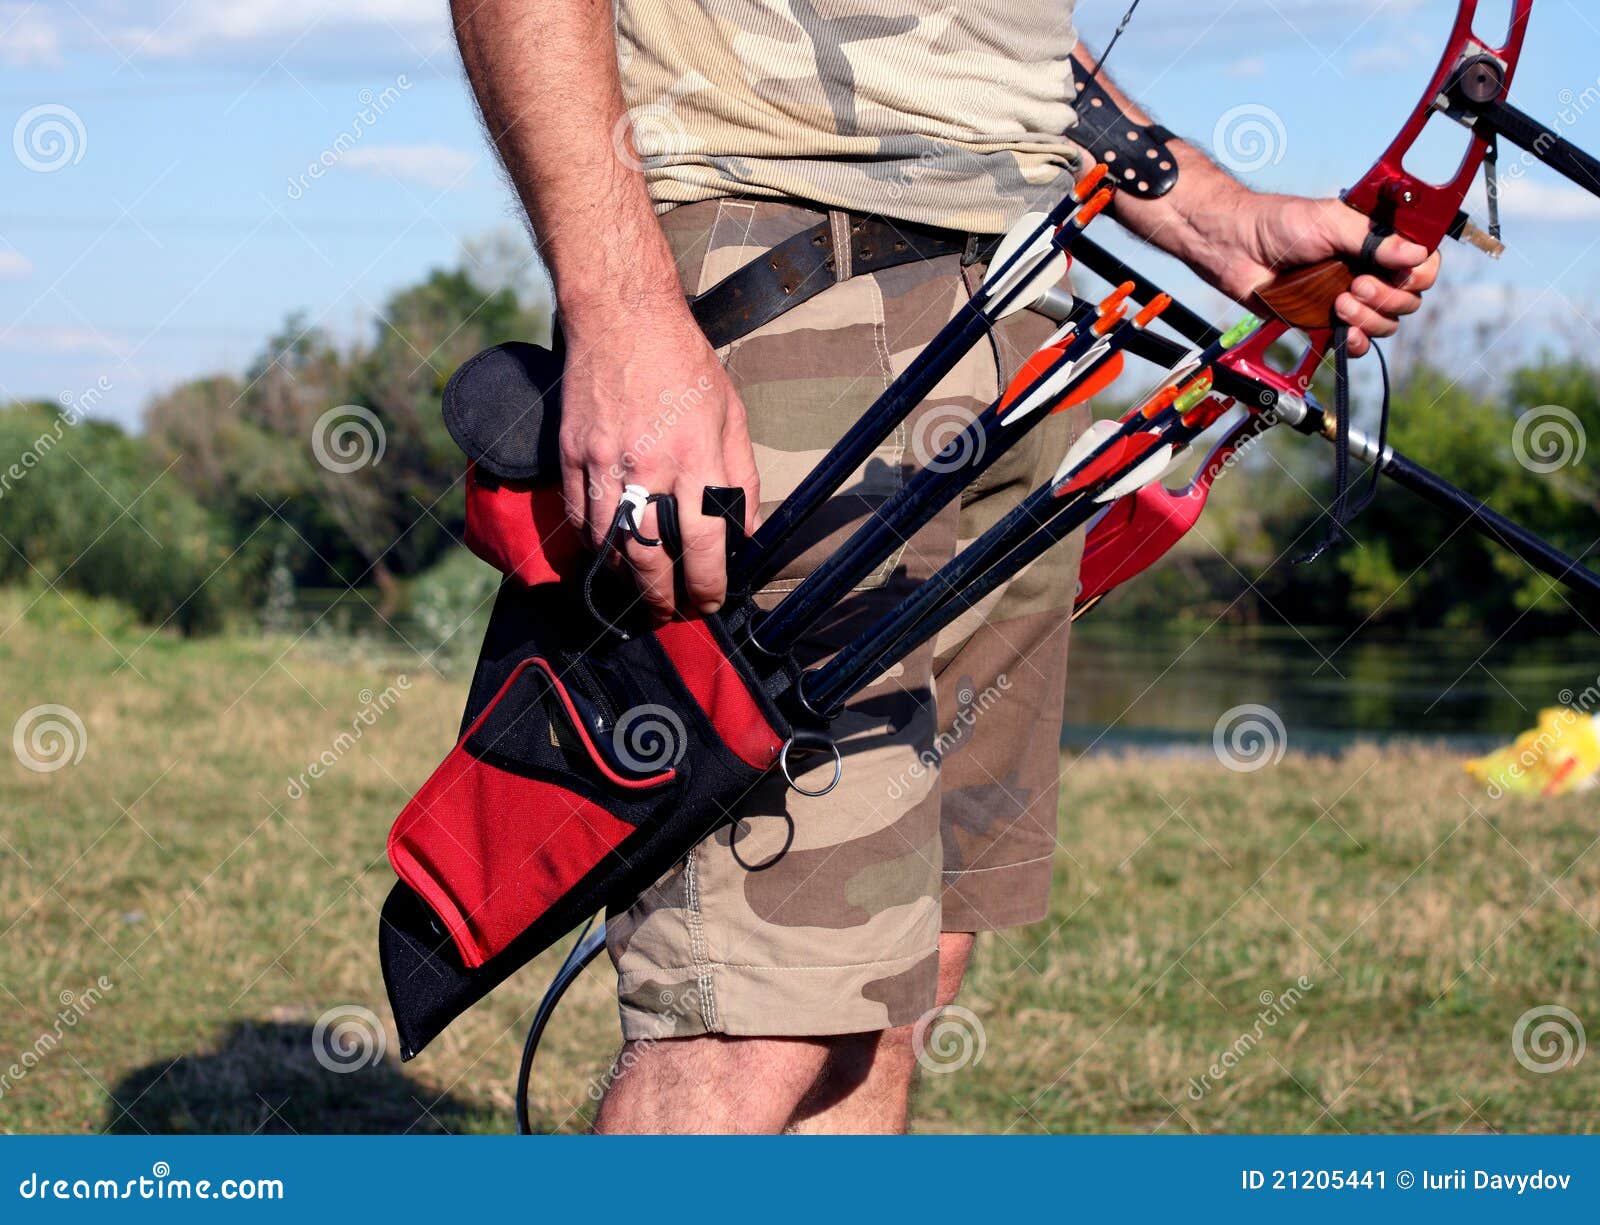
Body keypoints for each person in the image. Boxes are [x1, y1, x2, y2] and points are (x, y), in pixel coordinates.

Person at [449, 0, 1438, 1133]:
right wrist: (621, 314)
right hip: (784, 274)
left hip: (1018, 303)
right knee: (761, 1011)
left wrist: (1216, 219)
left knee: (902, 971)